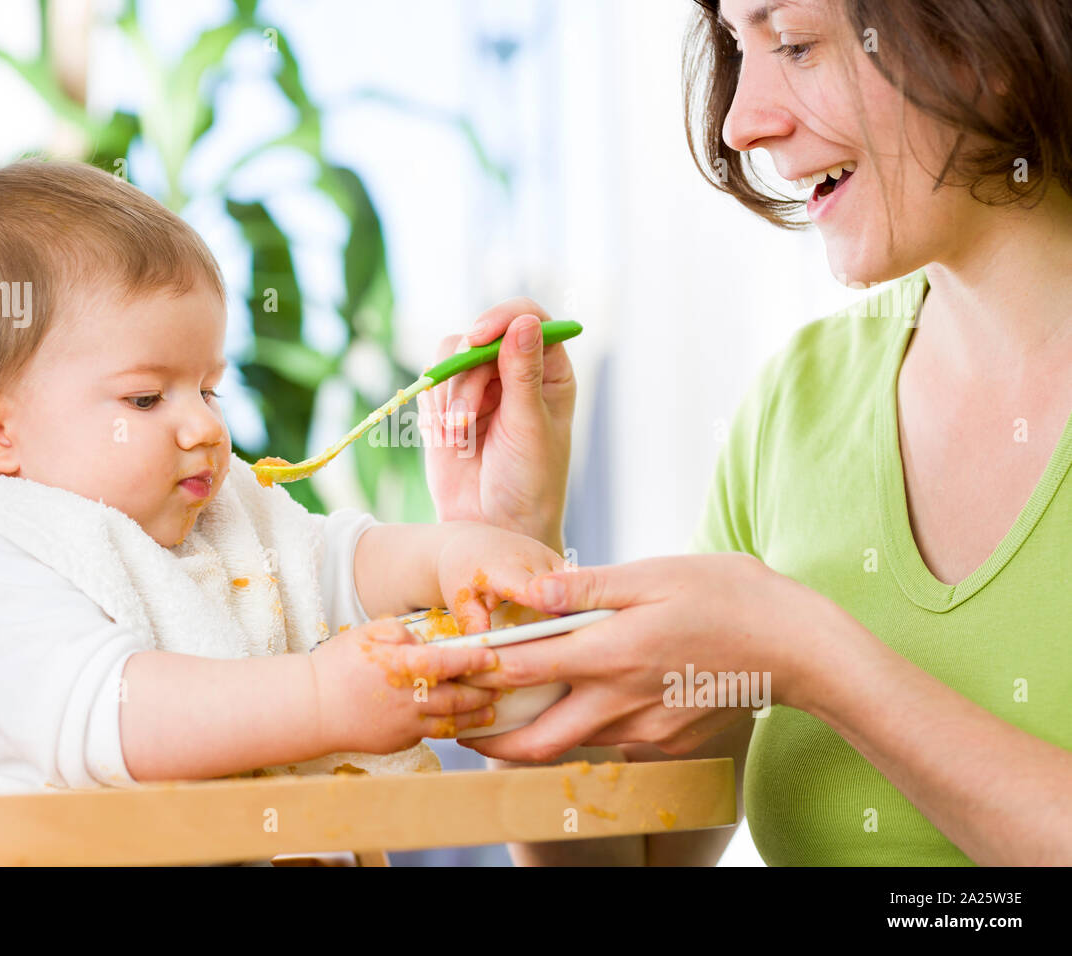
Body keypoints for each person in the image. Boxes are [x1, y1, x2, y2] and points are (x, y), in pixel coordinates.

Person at [422, 0, 1072, 865]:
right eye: (738, 47)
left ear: (985, 34)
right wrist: (510, 557)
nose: (740, 125)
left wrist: (817, 660)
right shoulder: (797, 406)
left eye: (797, 43)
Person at [0, 159, 566, 801]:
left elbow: (334, 565)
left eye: (210, 389)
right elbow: (122, 715)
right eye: (146, 399)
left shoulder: (216, 515)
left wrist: (452, 557)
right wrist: (321, 699)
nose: (206, 429)